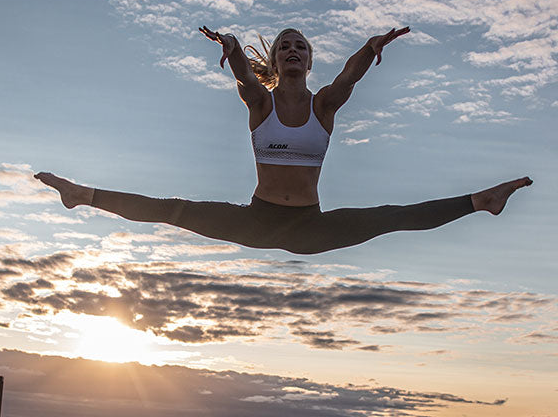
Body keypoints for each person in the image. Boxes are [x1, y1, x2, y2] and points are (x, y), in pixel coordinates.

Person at [35, 25, 531, 255]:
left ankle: (480, 201)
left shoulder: (324, 106)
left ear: (309, 61)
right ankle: (83, 195)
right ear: (274, 61)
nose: (293, 51)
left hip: (310, 228)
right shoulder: (260, 104)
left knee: (389, 217)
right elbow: (243, 77)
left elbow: (349, 77)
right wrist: (232, 47)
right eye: (284, 46)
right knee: (174, 209)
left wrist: (370, 46)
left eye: (301, 47)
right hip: (258, 220)